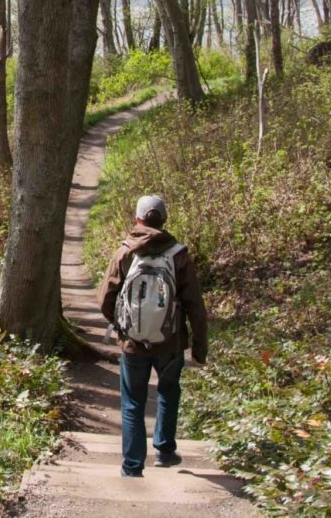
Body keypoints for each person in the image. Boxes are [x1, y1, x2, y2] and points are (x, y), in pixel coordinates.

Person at [98, 194, 208, 478]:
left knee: (132, 401)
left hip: (133, 343)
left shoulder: (125, 252)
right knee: (168, 391)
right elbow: (195, 305)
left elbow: (105, 300)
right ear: (164, 220)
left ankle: (132, 466)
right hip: (169, 342)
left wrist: (124, 327)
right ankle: (164, 450)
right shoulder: (179, 255)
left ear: (137, 219)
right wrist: (199, 347)